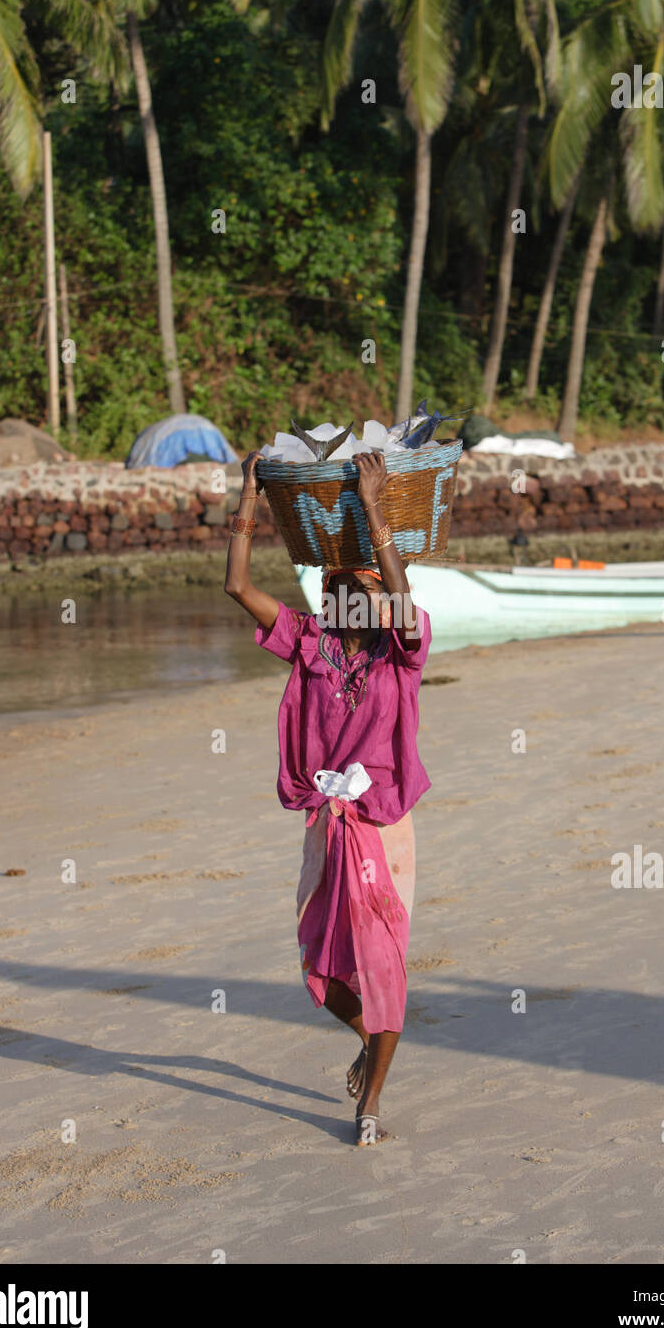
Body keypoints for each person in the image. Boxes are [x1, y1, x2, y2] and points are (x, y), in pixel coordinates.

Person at [224, 448, 432, 1145]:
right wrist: (249, 496)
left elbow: (403, 610)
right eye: (339, 589)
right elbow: (236, 588)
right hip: (326, 825)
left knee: (383, 962)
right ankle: (370, 1044)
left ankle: (370, 1107)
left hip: (383, 826)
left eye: (364, 589)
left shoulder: (402, 652)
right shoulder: (310, 645)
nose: (351, 600)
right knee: (319, 966)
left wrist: (374, 511)